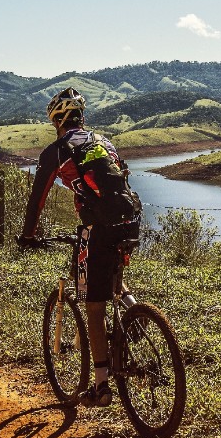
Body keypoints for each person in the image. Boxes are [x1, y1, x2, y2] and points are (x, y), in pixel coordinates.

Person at [18, 88, 142, 407]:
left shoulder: (57, 151)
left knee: (94, 305)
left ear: (57, 121)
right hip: (129, 220)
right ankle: (137, 312)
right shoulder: (103, 141)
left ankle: (100, 387)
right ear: (81, 117)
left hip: (97, 228)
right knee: (112, 277)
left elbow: (37, 200)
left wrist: (28, 235)